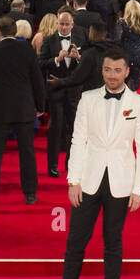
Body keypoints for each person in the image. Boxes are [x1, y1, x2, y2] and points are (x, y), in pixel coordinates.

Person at [41, 47, 140, 279]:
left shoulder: (139, 103)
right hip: (87, 181)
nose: (112, 76)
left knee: (112, 244)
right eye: (107, 70)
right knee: (75, 243)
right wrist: (72, 180)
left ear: (127, 71)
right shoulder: (88, 99)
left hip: (121, 183)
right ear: (101, 70)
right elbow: (77, 141)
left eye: (117, 70)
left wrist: (139, 189)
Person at [0, 16, 47, 211]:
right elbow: (37, 81)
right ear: (15, 31)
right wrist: (40, 106)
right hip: (23, 109)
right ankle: (30, 194)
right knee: (27, 153)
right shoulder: (27, 51)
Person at [38, 10, 86, 179]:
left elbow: (87, 64)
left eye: (67, 24)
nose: (64, 27)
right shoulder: (49, 40)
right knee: (55, 128)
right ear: (57, 24)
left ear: (72, 25)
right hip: (55, 91)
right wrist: (56, 60)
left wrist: (79, 58)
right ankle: (52, 166)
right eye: (62, 24)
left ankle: (70, 165)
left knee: (74, 130)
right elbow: (40, 63)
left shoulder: (81, 38)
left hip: (74, 92)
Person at [113, 1, 140, 91]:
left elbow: (117, 40)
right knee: (134, 85)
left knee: (123, 85)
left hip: (126, 55)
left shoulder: (122, 23)